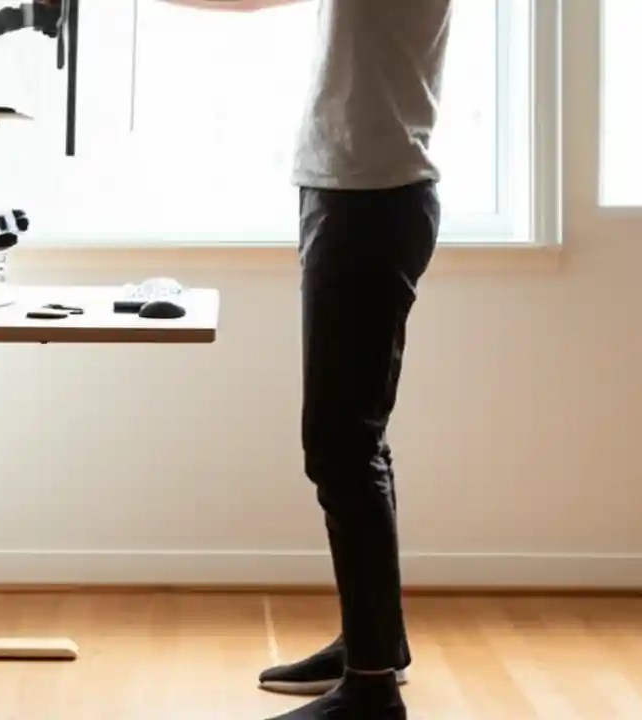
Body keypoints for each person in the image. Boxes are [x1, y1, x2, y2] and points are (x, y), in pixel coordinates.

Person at [164, 1, 454, 718]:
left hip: (369, 202)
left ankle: (371, 689)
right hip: (354, 192)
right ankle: (375, 645)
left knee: (340, 445)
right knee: (356, 439)